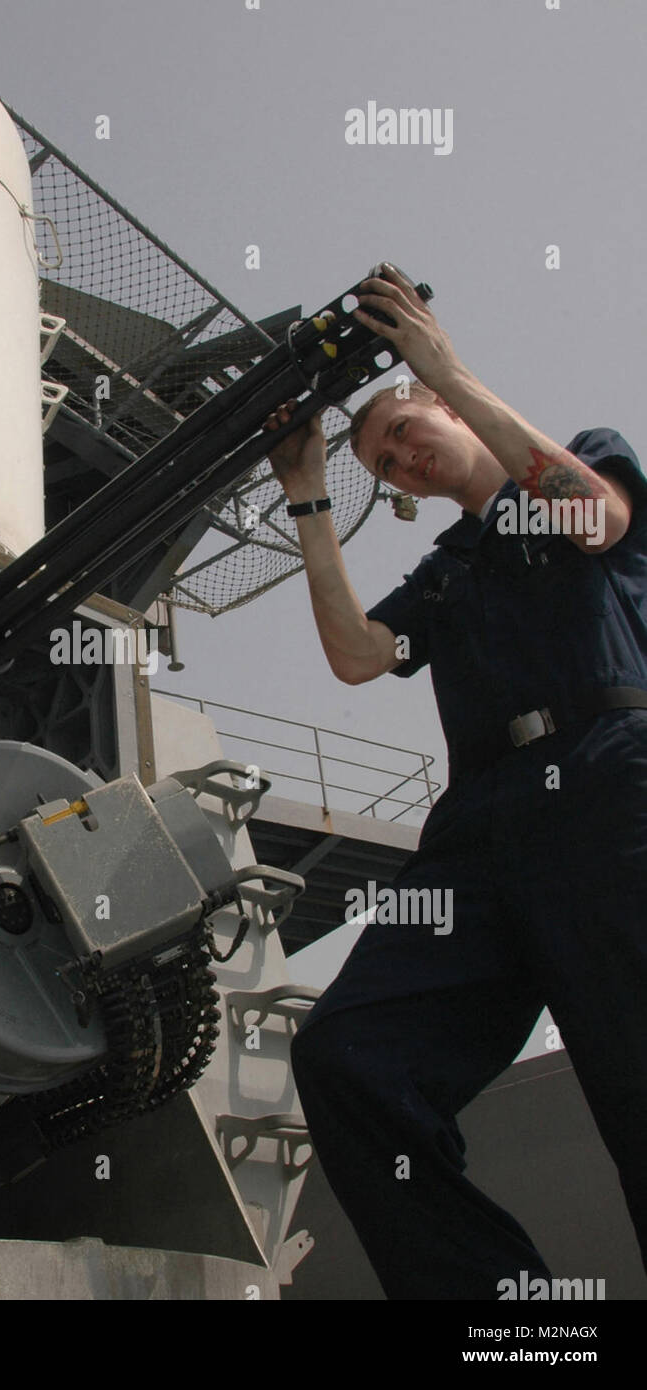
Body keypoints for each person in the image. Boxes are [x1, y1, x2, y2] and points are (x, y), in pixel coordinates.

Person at [263, 263, 647, 1300]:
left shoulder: (582, 460)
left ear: (440, 399)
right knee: (350, 1060)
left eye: (401, 429)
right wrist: (308, 492)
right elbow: (357, 654)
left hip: (610, 786)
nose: (400, 459)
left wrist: (440, 362)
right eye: (383, 460)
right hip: (479, 829)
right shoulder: (445, 572)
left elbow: (592, 521)